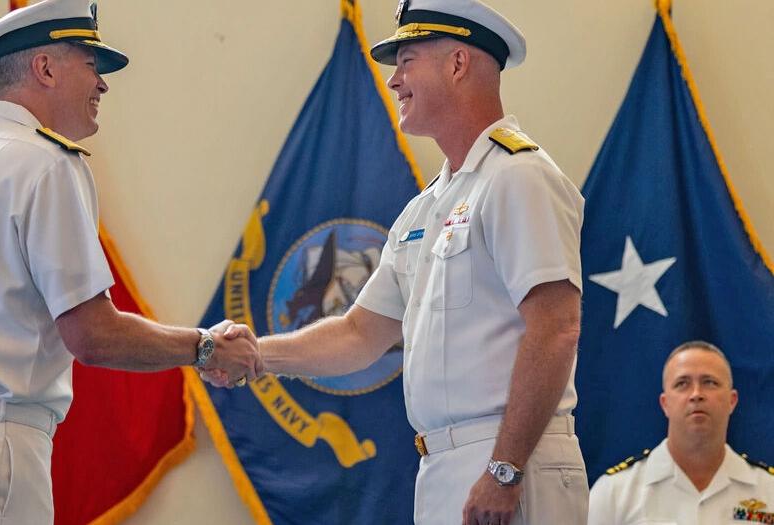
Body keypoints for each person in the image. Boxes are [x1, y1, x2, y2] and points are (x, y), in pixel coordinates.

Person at [0, 1, 261, 523]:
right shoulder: (45, 163)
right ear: (45, 69)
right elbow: (92, 335)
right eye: (91, 64)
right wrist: (205, 346)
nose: (102, 85)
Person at [204, 0, 588, 523]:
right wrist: (255, 354)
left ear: (457, 63)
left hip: (512, 464)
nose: (393, 81)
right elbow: (359, 334)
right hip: (444, 468)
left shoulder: (519, 176)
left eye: (406, 60)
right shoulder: (426, 207)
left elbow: (556, 329)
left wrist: (505, 467)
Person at [588, 341, 774, 525]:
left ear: (732, 401)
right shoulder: (614, 493)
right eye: (682, 383)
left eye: (709, 382)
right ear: (665, 403)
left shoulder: (769, 490)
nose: (696, 394)